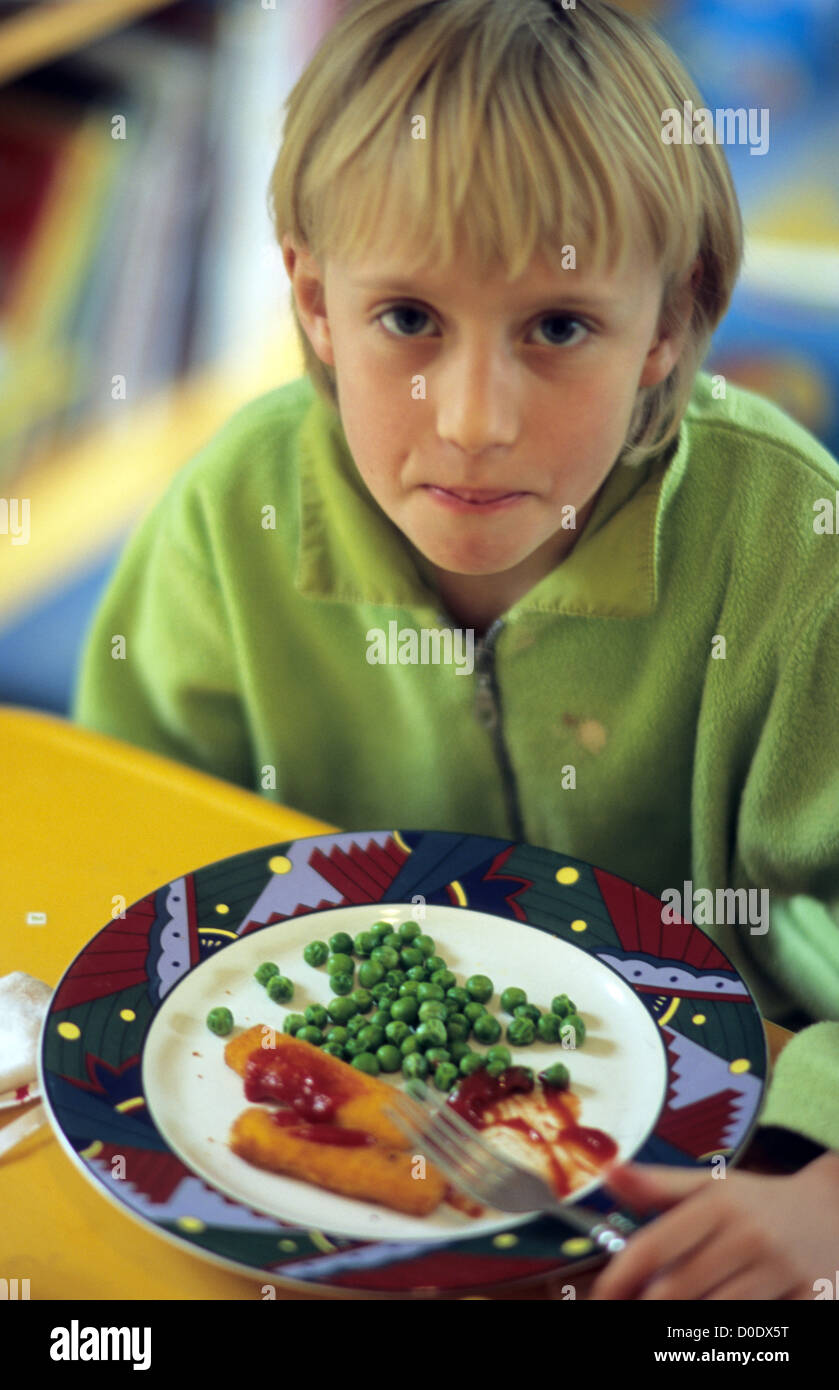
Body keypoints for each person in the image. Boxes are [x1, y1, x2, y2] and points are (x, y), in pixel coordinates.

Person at [72, 0, 839, 1297]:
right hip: (323, 1158)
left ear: (665, 325)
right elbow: (127, 857)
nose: (476, 421)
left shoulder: (789, 548)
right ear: (314, 301)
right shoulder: (231, 513)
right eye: (411, 319)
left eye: (556, 327)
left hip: (750, 1149)